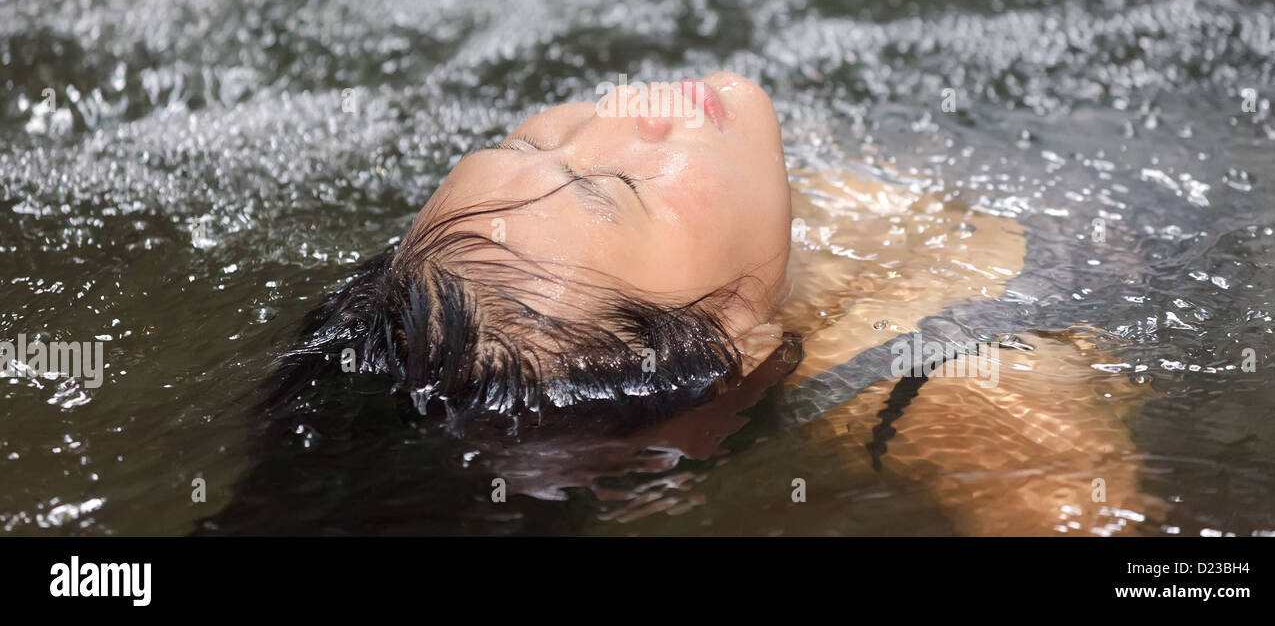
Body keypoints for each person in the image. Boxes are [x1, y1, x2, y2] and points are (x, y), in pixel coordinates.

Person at [301, 72, 1157, 532]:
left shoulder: (763, 214)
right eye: (618, 184)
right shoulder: (943, 382)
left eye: (531, 140)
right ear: (733, 346)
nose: (616, 114)